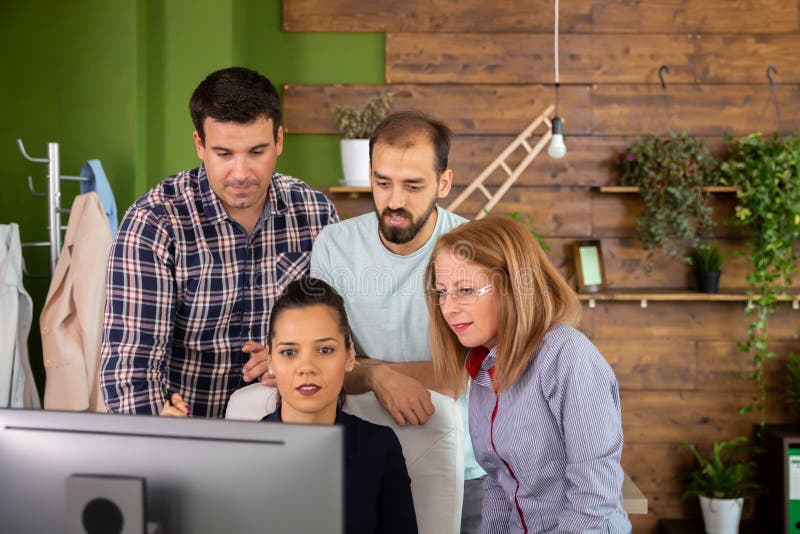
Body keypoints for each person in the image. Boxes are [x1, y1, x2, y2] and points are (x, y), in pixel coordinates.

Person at [100, 67, 338, 417]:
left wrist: (289, 355)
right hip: (189, 432)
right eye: (224, 154)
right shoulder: (154, 222)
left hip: (291, 428)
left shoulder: (315, 213)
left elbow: (337, 334)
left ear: (279, 141)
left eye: (256, 152)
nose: (240, 173)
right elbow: (130, 371)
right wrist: (158, 437)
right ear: (200, 145)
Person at [308, 110, 487, 532]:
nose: (394, 201)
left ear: (444, 183)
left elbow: (460, 374)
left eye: (413, 186)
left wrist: (363, 368)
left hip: (464, 467)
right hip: (360, 461)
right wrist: (377, 377)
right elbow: (321, 360)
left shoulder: (472, 249)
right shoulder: (334, 245)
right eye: (383, 182)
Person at [425, 216, 632, 533]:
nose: (448, 308)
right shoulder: (483, 369)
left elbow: (594, 497)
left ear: (512, 288)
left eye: (465, 290)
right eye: (441, 292)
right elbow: (499, 484)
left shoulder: (567, 355)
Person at [163, 278, 419, 534]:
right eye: (289, 352)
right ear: (270, 360)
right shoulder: (239, 456)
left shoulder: (380, 447)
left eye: (325, 350)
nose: (307, 367)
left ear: (349, 357)